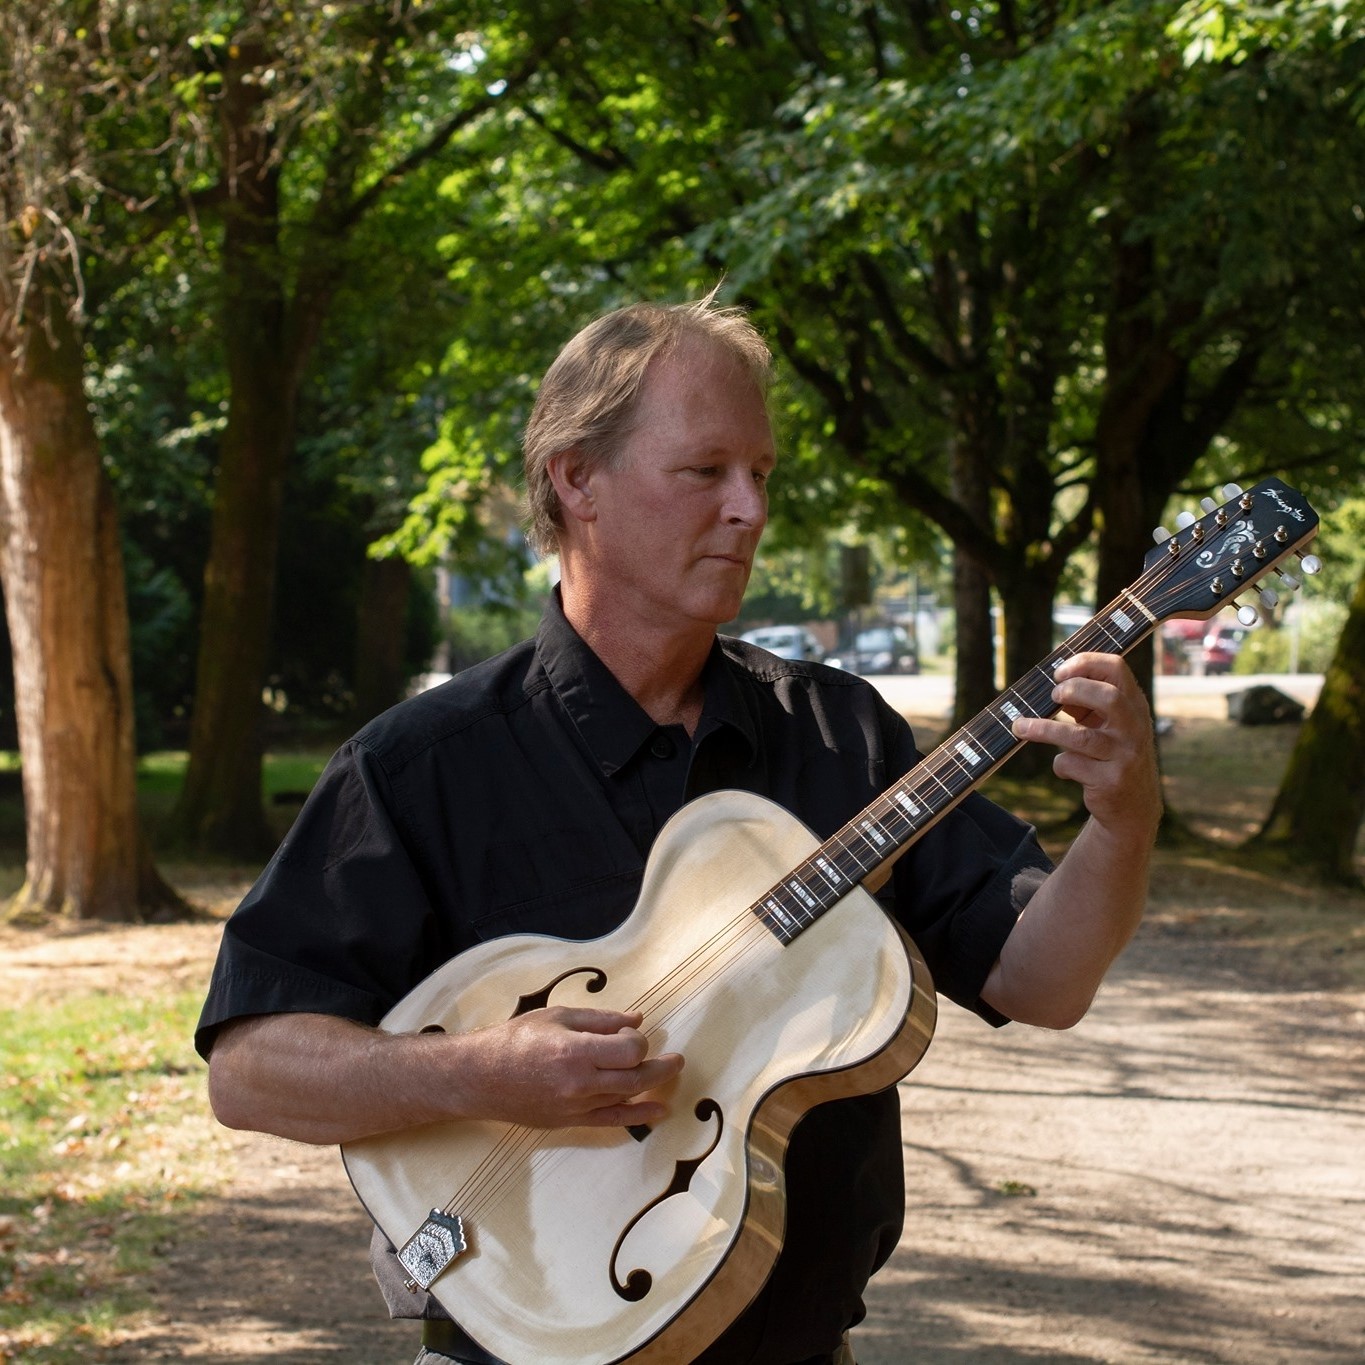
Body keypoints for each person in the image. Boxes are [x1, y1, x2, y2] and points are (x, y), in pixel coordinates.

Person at [196, 293, 1162, 1365]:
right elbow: (250, 1069)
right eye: (707, 471)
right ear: (577, 479)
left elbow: (1045, 982)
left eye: (763, 473)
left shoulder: (840, 736)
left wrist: (1124, 821)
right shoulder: (422, 765)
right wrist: (476, 1072)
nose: (750, 508)